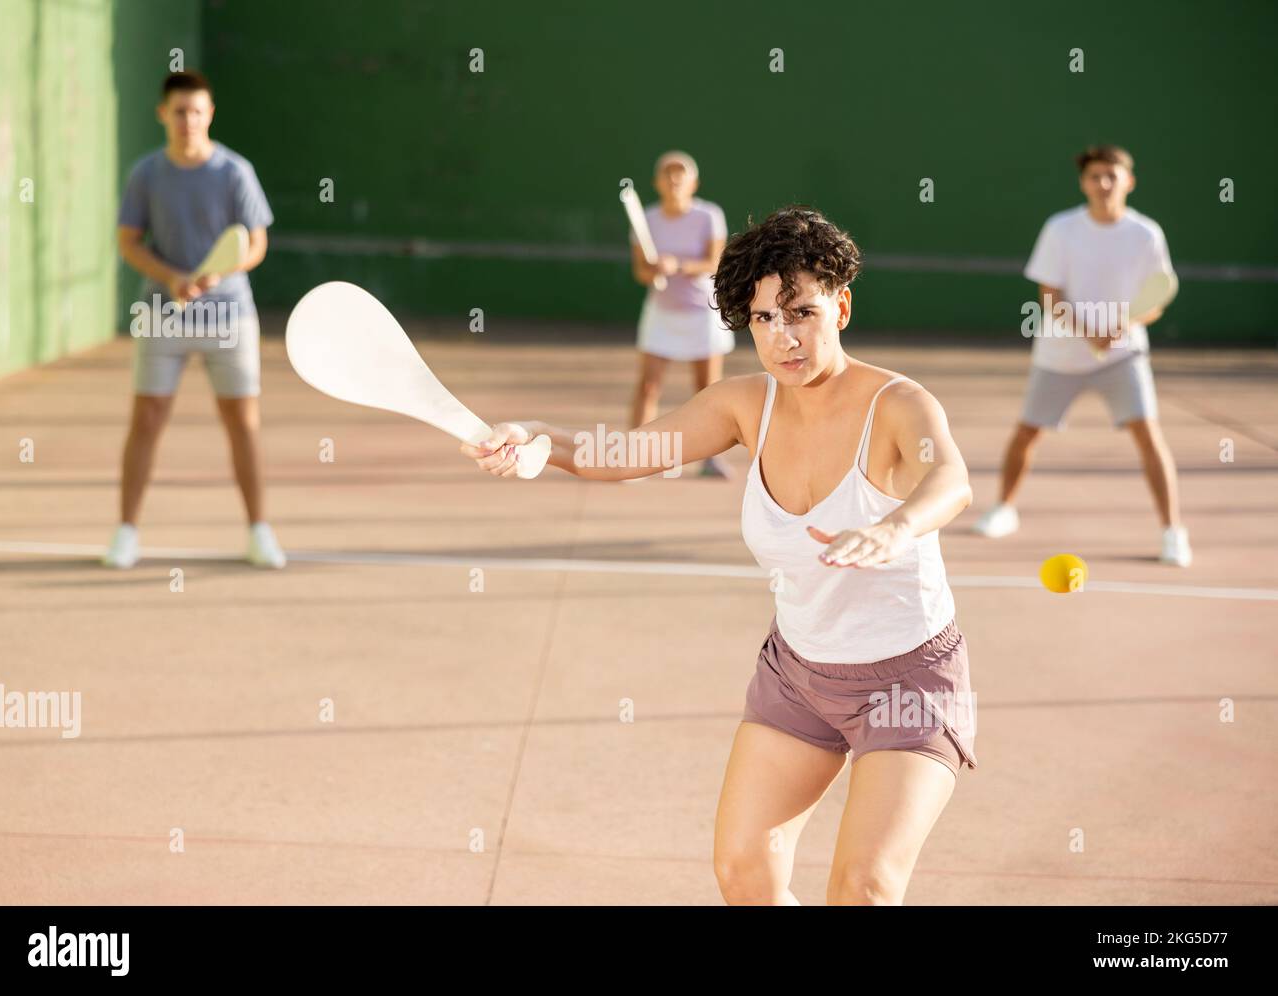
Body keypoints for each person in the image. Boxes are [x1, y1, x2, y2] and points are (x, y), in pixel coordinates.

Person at [463, 207, 979, 905]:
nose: (784, 337)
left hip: (904, 682)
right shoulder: (744, 404)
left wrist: (896, 528)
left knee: (863, 887)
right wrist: (538, 436)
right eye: (764, 319)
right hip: (799, 677)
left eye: (800, 312)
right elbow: (622, 455)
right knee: (744, 872)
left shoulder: (898, 404)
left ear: (842, 307)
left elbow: (951, 479)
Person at [974, 144, 1191, 566]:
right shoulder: (1061, 228)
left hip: (1124, 356)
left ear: (1129, 181)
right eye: (1095, 176)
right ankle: (1003, 509)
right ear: (1084, 183)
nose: (1104, 183)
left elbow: (1157, 298)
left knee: (1149, 434)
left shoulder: (1146, 234)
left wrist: (1125, 325)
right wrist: (1089, 332)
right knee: (1027, 433)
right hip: (1059, 355)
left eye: (1112, 175)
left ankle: (1172, 532)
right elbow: (1050, 295)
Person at [104, 70, 284, 569]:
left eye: (198, 111)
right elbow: (128, 242)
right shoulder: (146, 174)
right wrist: (172, 277)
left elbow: (256, 245)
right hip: (161, 316)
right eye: (180, 112)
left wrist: (220, 271)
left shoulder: (235, 173)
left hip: (231, 318)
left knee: (242, 424)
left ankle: (258, 532)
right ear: (164, 114)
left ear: (210, 114)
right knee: (147, 419)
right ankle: (126, 533)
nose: (189, 121)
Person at [627, 150, 733, 477]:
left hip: (703, 314)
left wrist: (679, 265)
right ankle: (635, 459)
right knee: (648, 386)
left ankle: (711, 458)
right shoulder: (646, 218)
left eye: (681, 174)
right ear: (657, 182)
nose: (674, 180)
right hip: (661, 313)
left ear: (693, 182)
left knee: (707, 391)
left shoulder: (709, 216)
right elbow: (641, 273)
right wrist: (655, 269)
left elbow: (716, 263)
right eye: (668, 174)